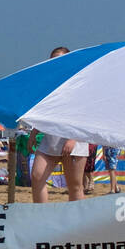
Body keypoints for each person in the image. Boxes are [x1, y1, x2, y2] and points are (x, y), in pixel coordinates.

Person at [29, 47, 87, 203]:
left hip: (73, 139)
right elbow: (45, 112)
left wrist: (73, 138)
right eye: (52, 59)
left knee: (75, 186)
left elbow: (84, 112)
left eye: (59, 59)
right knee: (37, 176)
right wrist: (34, 133)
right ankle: (42, 216)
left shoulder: (77, 83)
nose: (55, 62)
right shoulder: (49, 84)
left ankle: (78, 222)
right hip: (51, 139)